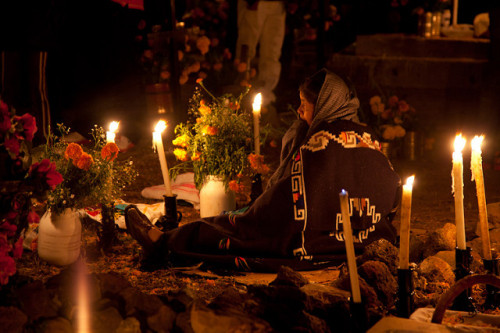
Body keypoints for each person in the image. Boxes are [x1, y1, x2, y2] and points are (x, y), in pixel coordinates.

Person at [125, 69, 401, 272]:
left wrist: (252, 213)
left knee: (236, 226)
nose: (299, 113)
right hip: (368, 239)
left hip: (308, 238)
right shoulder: (370, 138)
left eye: (304, 106)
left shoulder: (319, 142)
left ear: (323, 106)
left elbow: (278, 204)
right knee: (238, 219)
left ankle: (163, 241)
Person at [235, 0, 289, 105]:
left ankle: (266, 94)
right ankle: (241, 90)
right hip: (256, 4)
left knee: (272, 51)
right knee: (246, 47)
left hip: (278, 5)